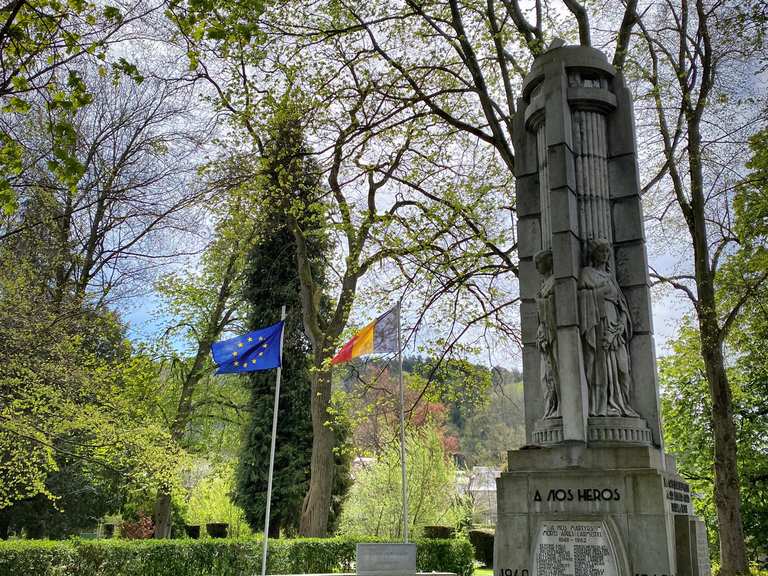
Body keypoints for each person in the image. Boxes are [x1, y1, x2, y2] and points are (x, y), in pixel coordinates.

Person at [578, 239, 639, 417]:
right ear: (594, 254)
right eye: (601, 251)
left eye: (607, 252)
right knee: (602, 367)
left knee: (623, 369)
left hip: (615, 327)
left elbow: (622, 306)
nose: (604, 255)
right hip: (598, 324)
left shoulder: (610, 278)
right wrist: (599, 294)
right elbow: (581, 298)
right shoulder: (587, 273)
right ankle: (604, 405)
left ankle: (622, 404)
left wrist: (621, 324)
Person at [535, 249, 560, 418]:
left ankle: (558, 407)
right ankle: (552, 407)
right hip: (545, 334)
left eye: (541, 262)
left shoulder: (554, 282)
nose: (538, 266)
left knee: (555, 372)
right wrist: (541, 334)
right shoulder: (543, 286)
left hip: (554, 334)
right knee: (546, 377)